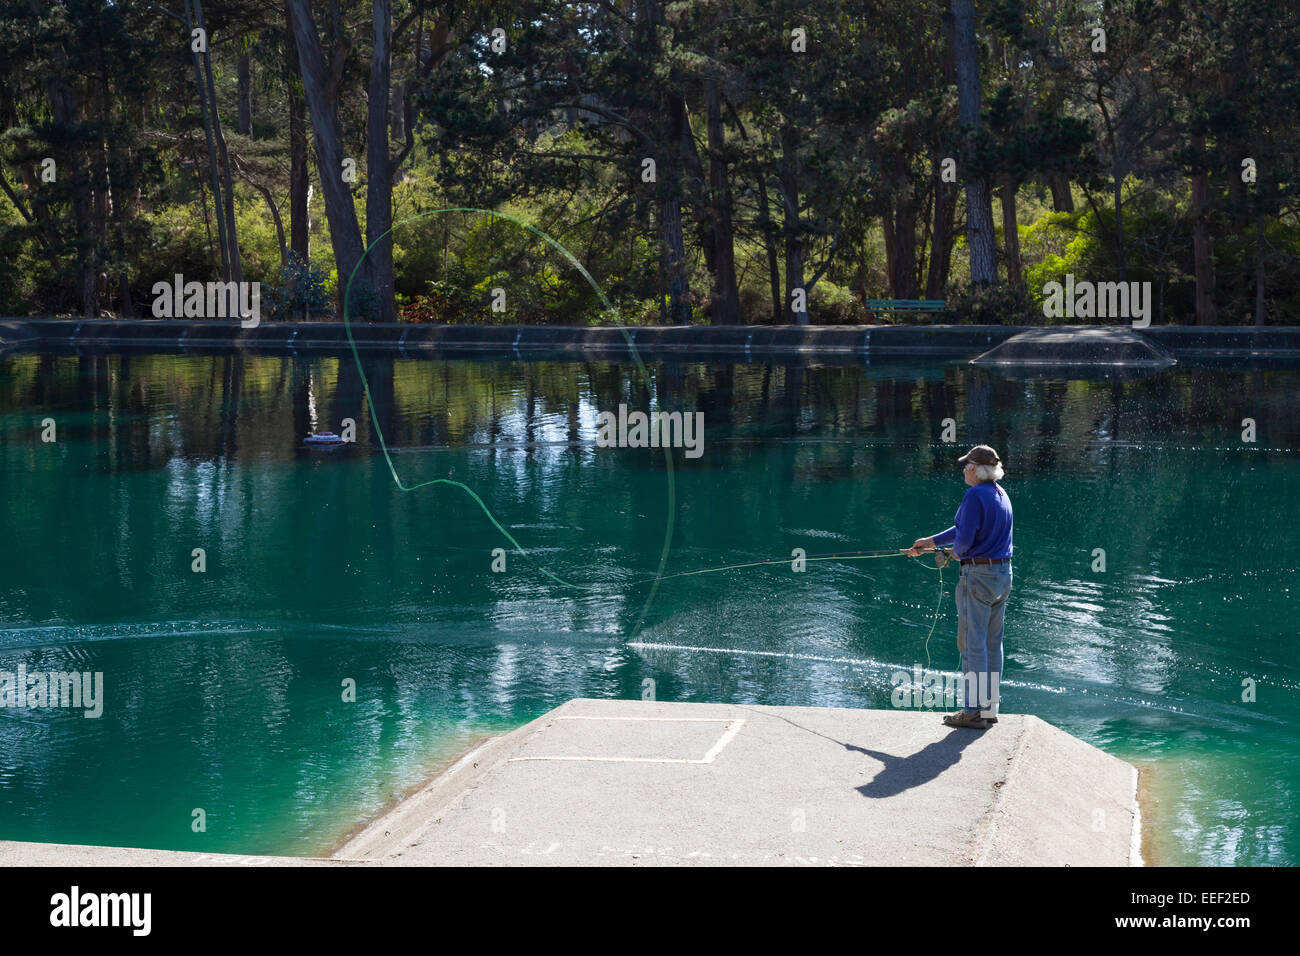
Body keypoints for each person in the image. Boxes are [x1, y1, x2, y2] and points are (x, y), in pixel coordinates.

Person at [908, 445, 1012, 730]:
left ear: (975, 469)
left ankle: (972, 710)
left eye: (966, 465)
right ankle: (989, 708)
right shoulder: (1000, 495)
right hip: (1002, 575)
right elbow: (962, 529)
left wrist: (955, 553)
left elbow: (964, 542)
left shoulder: (974, 494)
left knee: (971, 643)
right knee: (992, 642)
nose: (963, 469)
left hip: (977, 576)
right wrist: (930, 542)